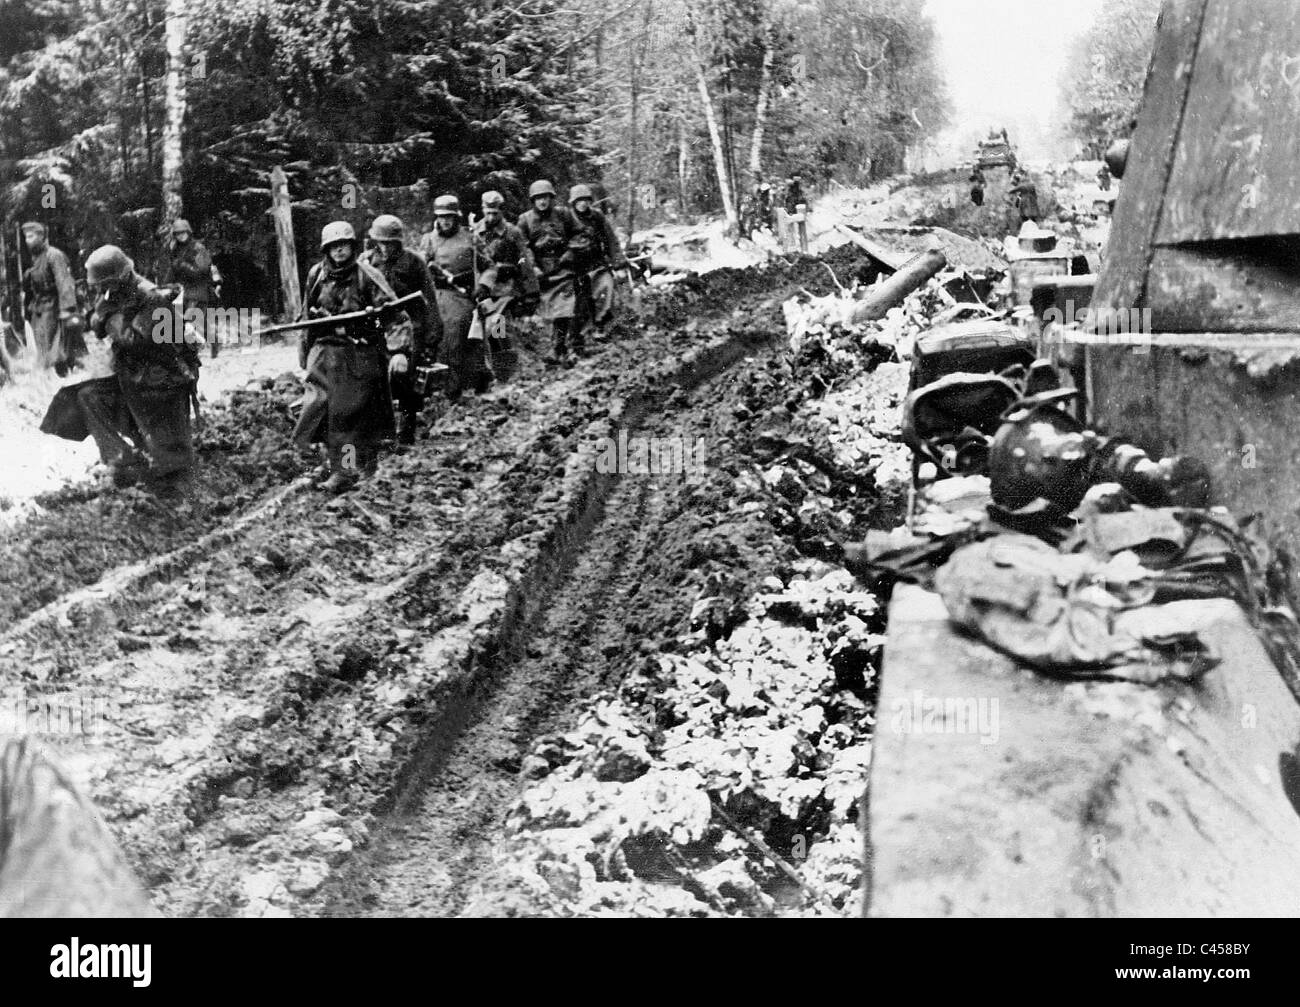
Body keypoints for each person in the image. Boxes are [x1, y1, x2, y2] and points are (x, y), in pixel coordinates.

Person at [294, 221, 410, 493]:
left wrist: (399, 352)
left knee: (345, 413)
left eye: (343, 245)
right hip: (324, 352)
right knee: (315, 408)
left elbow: (395, 316)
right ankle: (324, 461)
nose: (339, 251)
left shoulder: (366, 275)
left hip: (357, 353)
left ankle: (345, 471)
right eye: (333, 247)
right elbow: (306, 316)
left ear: (353, 246)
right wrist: (304, 355)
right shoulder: (316, 276)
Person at [78, 245, 199, 496]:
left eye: (103, 285)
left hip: (161, 382)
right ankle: (122, 461)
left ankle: (177, 497)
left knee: (172, 466)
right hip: (132, 378)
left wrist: (108, 315)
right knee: (88, 398)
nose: (99, 291)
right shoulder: (116, 293)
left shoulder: (150, 296)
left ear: (117, 278)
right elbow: (95, 325)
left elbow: (134, 340)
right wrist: (105, 311)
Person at [360, 214, 440, 444]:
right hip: (377, 328)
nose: (385, 248)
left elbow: (430, 301)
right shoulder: (366, 262)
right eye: (381, 242)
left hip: (411, 328)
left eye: (390, 243)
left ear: (398, 242)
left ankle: (407, 427)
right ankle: (379, 430)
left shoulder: (414, 262)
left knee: (404, 375)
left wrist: (432, 337)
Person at [421, 194, 484, 398]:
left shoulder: (471, 238)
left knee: (456, 334)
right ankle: (433, 389)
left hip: (461, 295)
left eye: (449, 217)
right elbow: (421, 269)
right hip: (435, 295)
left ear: (457, 217)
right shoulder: (429, 240)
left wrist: (483, 285)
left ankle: (456, 388)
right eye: (441, 217)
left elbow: (488, 266)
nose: (445, 221)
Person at [472, 190, 538, 378]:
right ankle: (487, 371)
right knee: (481, 332)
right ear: (482, 210)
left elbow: (524, 260)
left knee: (498, 327)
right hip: (483, 288)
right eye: (488, 212)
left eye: (496, 213)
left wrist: (531, 291)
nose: (491, 217)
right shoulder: (475, 232)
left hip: (505, 288)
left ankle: (505, 370)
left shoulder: (513, 232)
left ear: (502, 212)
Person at [516, 179, 581, 363]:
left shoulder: (563, 214)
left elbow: (578, 233)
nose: (542, 202)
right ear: (533, 200)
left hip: (563, 269)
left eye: (545, 197)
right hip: (541, 272)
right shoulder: (525, 219)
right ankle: (560, 346)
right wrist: (532, 267)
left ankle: (560, 347)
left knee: (565, 309)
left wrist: (570, 252)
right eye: (538, 198)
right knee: (552, 313)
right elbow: (522, 247)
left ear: (551, 198)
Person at [20, 222, 83, 375]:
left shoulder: (54, 255)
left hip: (54, 307)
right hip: (39, 308)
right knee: (42, 348)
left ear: (41, 236)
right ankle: (50, 378)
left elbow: (64, 282)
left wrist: (66, 310)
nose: (28, 240)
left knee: (57, 349)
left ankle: (64, 376)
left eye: (31, 236)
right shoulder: (36, 258)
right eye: (26, 237)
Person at [566, 184, 627, 342]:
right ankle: (578, 333)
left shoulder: (597, 216)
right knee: (579, 299)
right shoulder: (566, 218)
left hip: (596, 263)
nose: (583, 204)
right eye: (578, 201)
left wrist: (618, 263)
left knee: (605, 287)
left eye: (586, 200)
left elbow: (610, 240)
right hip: (576, 266)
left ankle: (601, 326)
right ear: (573, 202)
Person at [158, 218, 218, 359]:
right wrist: (165, 285)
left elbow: (203, 269)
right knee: (189, 321)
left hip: (199, 289)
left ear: (188, 232)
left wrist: (184, 266)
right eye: (178, 233)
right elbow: (172, 270)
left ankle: (210, 345)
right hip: (185, 290)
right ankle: (204, 346)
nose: (181, 236)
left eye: (183, 233)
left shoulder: (198, 248)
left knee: (192, 320)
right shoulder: (176, 250)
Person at [783, 174, 809, 252]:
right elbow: (789, 203)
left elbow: (803, 201)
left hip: (798, 212)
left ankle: (802, 249)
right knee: (793, 232)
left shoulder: (797, 193)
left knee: (799, 232)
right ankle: (796, 249)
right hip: (794, 212)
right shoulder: (792, 193)